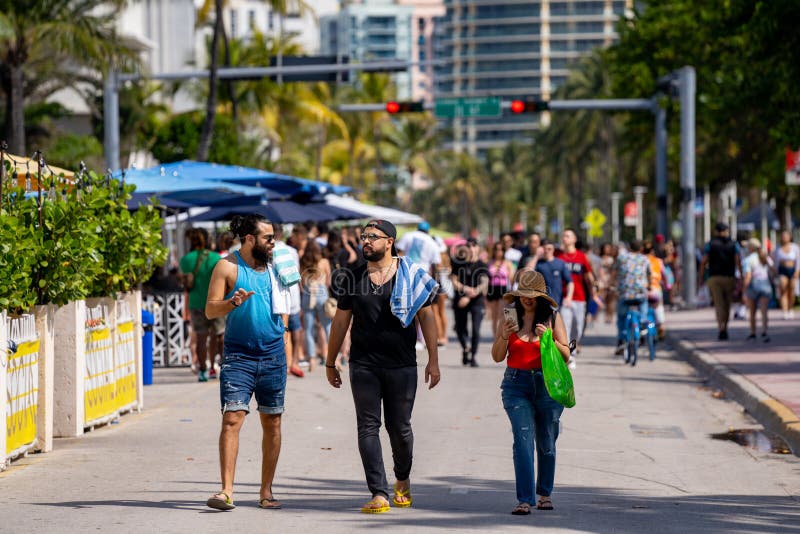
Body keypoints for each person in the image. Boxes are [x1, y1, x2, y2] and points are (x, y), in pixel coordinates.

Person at [325, 219, 440, 514]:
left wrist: (433, 360)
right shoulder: (352, 276)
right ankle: (379, 492)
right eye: (364, 236)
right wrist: (330, 360)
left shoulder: (411, 275)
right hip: (363, 363)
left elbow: (426, 317)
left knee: (399, 428)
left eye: (372, 237)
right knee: (367, 426)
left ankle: (402, 479)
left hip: (401, 365)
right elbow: (341, 321)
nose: (366, 241)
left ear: (389, 241)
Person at [204, 214, 290, 511]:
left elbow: (286, 302)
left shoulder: (277, 265)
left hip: (273, 354)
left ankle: (266, 491)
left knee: (273, 421)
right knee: (232, 418)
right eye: (268, 237)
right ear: (250, 239)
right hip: (239, 355)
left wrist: (286, 336)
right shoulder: (227, 266)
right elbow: (210, 311)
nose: (273, 241)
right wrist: (232, 302)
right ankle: (226, 491)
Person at [490, 270, 571, 515]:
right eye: (523, 294)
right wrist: (504, 335)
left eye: (532, 295)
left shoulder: (552, 318)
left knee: (546, 442)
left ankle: (544, 493)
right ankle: (524, 499)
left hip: (547, 384)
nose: (527, 299)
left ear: (541, 297)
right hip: (516, 385)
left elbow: (566, 355)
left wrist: (549, 340)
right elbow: (496, 356)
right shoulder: (509, 316)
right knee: (523, 441)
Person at [180, 228, 223, 382]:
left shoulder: (186, 260)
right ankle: (216, 367)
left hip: (196, 303)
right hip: (215, 301)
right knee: (218, 336)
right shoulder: (216, 258)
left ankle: (203, 371)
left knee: (201, 338)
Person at [555, 228, 595, 368]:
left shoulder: (581, 256)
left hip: (579, 297)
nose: (564, 238)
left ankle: (572, 349)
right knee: (565, 326)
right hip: (563, 298)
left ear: (574, 239)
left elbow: (588, 276)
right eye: (563, 236)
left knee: (577, 328)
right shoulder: (558, 256)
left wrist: (594, 291)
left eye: (568, 236)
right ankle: (569, 355)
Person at [699, 222, 741, 340]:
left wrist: (701, 276)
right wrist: (740, 276)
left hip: (714, 277)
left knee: (718, 304)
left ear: (716, 231)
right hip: (729, 277)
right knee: (728, 304)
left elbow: (703, 261)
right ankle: (725, 327)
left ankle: (720, 328)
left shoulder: (710, 244)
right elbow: (738, 261)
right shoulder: (734, 244)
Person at [451, 237, 489, 366]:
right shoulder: (458, 263)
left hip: (476, 301)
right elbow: (454, 281)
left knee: (476, 330)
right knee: (460, 329)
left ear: (478, 248)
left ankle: (473, 356)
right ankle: (465, 349)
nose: (471, 248)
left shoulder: (482, 265)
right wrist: (465, 289)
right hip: (460, 299)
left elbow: (484, 283)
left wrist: (471, 294)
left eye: (474, 245)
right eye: (469, 245)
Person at [612, 240, 652, 355]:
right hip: (640, 293)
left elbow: (614, 272)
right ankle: (643, 322)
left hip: (624, 293)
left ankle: (621, 340)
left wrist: (610, 284)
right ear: (641, 249)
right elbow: (649, 274)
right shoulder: (645, 259)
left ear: (629, 247)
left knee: (621, 317)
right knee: (643, 304)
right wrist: (648, 286)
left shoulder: (621, 258)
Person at [299, 240, 332, 369]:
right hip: (322, 292)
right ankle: (333, 356)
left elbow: (301, 280)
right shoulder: (324, 262)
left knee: (308, 329)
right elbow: (328, 281)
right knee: (327, 326)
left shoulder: (303, 261)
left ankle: (311, 359)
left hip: (308, 292)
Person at [744, 238, 774, 342]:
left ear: (750, 248)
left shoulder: (748, 259)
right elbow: (773, 269)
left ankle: (753, 332)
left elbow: (748, 276)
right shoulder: (764, 257)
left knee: (752, 312)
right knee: (764, 311)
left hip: (753, 285)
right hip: (765, 284)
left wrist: (744, 289)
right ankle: (764, 331)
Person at [487, 242, 515, 337]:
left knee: (501, 313)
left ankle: (502, 334)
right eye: (496, 249)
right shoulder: (490, 262)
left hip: (503, 289)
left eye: (501, 250)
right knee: (493, 314)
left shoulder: (507, 263)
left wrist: (512, 292)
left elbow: (511, 278)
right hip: (492, 288)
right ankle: (495, 335)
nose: (498, 252)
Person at [534, 238, 574, 307]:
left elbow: (570, 282)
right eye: (545, 249)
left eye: (549, 249)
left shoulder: (560, 263)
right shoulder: (538, 263)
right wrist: (536, 256)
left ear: (553, 249)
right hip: (540, 302)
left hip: (557, 302)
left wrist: (569, 297)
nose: (547, 251)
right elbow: (527, 272)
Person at [773, 230, 799, 319]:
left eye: (786, 236)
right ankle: (784, 310)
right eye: (783, 236)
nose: (784, 238)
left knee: (792, 290)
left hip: (792, 269)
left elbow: (798, 260)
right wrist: (775, 271)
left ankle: (790, 308)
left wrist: (797, 271)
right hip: (782, 270)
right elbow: (775, 261)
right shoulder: (778, 248)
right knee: (783, 289)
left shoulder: (794, 247)